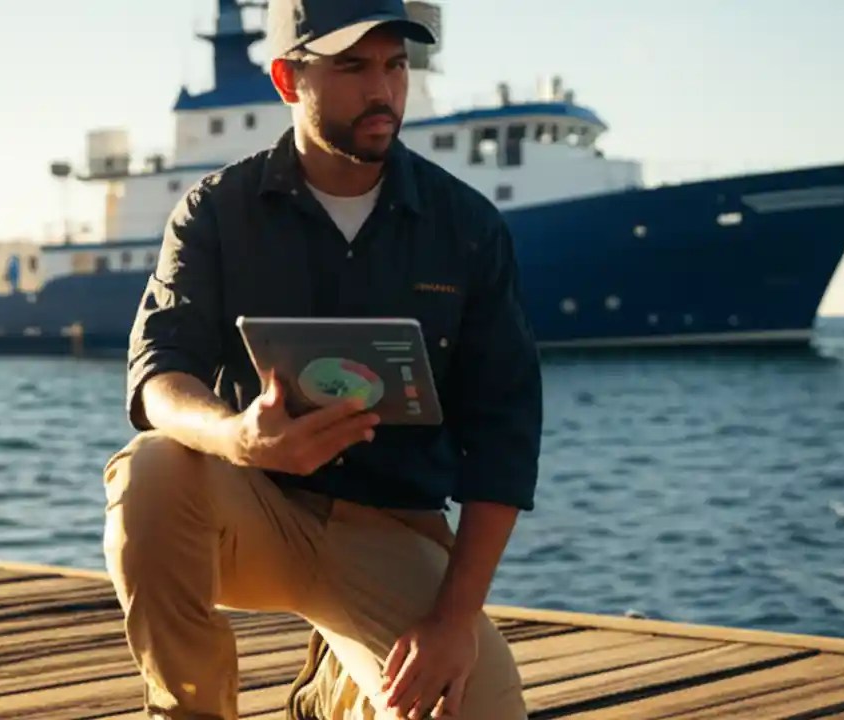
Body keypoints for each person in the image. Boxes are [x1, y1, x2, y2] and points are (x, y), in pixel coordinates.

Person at [101, 0, 543, 717]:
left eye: (395, 64)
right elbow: (158, 376)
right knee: (149, 469)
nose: (383, 89)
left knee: (478, 709)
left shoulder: (467, 228)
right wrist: (237, 437)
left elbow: (506, 438)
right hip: (253, 513)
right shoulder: (216, 211)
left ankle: (335, 682)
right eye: (352, 67)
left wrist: (453, 622)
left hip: (395, 530)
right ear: (287, 80)